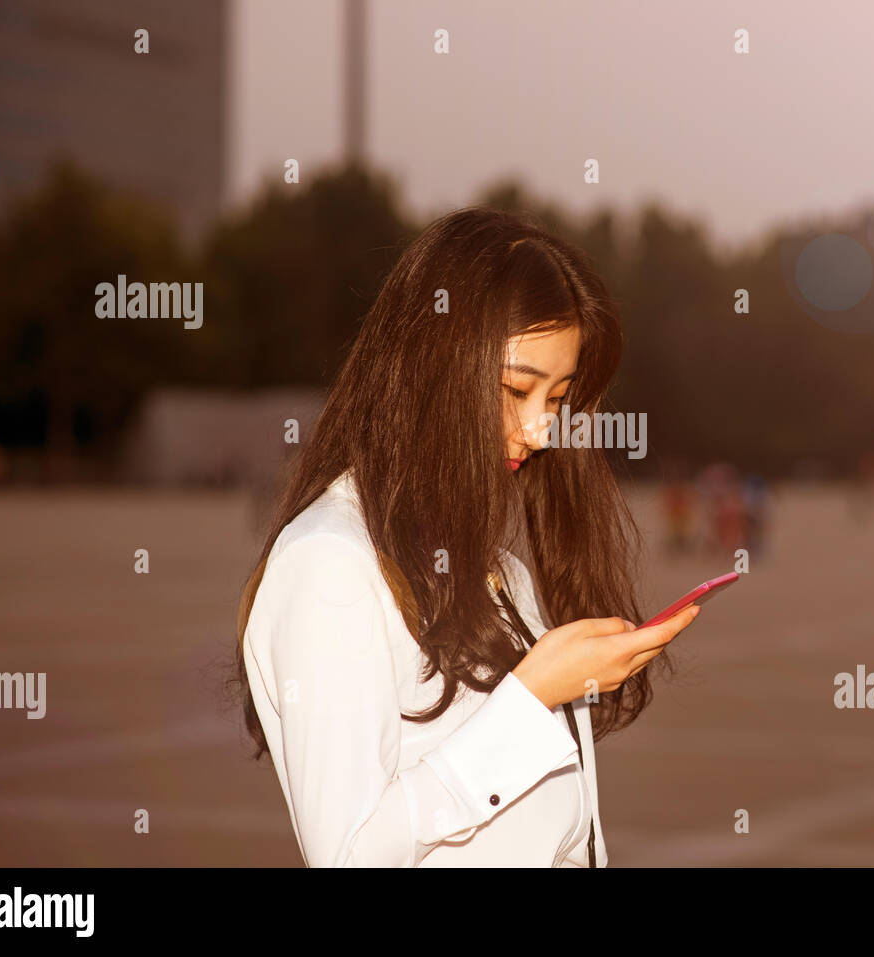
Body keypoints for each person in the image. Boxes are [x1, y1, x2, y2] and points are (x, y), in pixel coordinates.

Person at [227, 207, 700, 867]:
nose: (541, 430)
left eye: (558, 398)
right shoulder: (331, 562)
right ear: (432, 365)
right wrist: (531, 697)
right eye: (516, 389)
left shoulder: (502, 572)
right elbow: (350, 854)